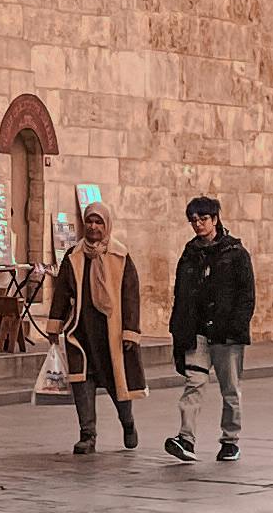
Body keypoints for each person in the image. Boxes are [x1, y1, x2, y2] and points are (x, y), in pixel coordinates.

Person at [164, 192, 255, 462]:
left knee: (230, 389)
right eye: (193, 220)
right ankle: (186, 438)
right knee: (195, 382)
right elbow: (180, 294)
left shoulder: (236, 253)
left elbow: (246, 295)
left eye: (203, 218)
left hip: (227, 333)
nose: (198, 224)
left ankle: (230, 440)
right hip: (197, 332)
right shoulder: (190, 254)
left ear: (215, 219)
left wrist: (237, 327)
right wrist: (178, 333)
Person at [45, 204, 142, 451]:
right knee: (81, 380)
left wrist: (130, 331)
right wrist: (55, 324)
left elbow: (130, 296)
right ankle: (88, 435)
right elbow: (61, 292)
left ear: (106, 225)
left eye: (99, 222)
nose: (93, 227)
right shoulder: (73, 256)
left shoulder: (120, 256)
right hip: (80, 330)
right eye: (90, 222)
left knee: (116, 382)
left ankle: (127, 422)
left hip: (111, 330)